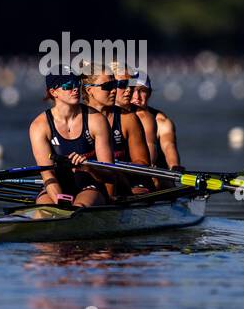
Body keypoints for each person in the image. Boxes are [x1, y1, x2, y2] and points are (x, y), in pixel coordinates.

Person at [29, 72, 115, 206]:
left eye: (77, 84)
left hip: (90, 184)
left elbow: (109, 172)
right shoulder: (39, 126)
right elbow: (48, 174)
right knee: (44, 210)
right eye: (68, 85)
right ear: (53, 92)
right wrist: (60, 201)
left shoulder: (96, 120)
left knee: (78, 208)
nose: (75, 89)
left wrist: (89, 168)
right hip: (55, 185)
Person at [82, 64, 152, 194]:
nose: (114, 90)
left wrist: (113, 169)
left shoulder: (127, 118)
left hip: (128, 180)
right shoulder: (77, 118)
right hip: (90, 180)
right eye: (108, 86)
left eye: (115, 85)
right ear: (89, 90)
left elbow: (142, 162)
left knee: (138, 191)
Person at [128, 71, 183, 170]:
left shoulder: (161, 121)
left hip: (155, 175)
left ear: (149, 93)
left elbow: (168, 146)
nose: (136, 96)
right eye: (132, 90)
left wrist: (174, 165)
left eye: (142, 90)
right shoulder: (116, 116)